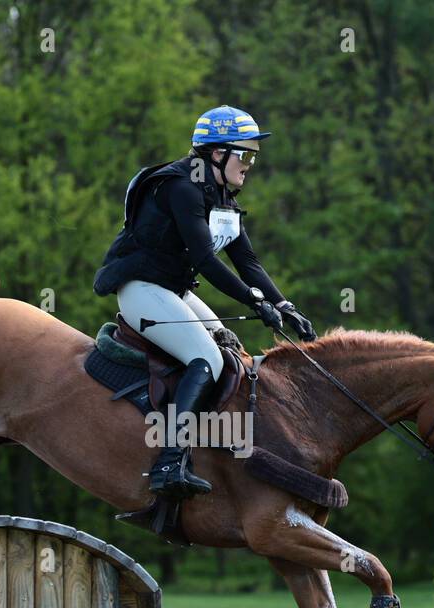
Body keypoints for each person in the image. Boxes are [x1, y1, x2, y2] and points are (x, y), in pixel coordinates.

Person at [93, 104, 317, 499]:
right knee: (208, 360)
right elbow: (205, 260)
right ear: (217, 153)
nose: (250, 164)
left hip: (172, 291)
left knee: (230, 349)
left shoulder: (221, 196)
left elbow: (247, 260)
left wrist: (284, 306)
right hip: (140, 290)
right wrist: (253, 301)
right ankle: (168, 463)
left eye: (253, 156)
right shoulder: (181, 187)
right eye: (244, 154)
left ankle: (213, 445)